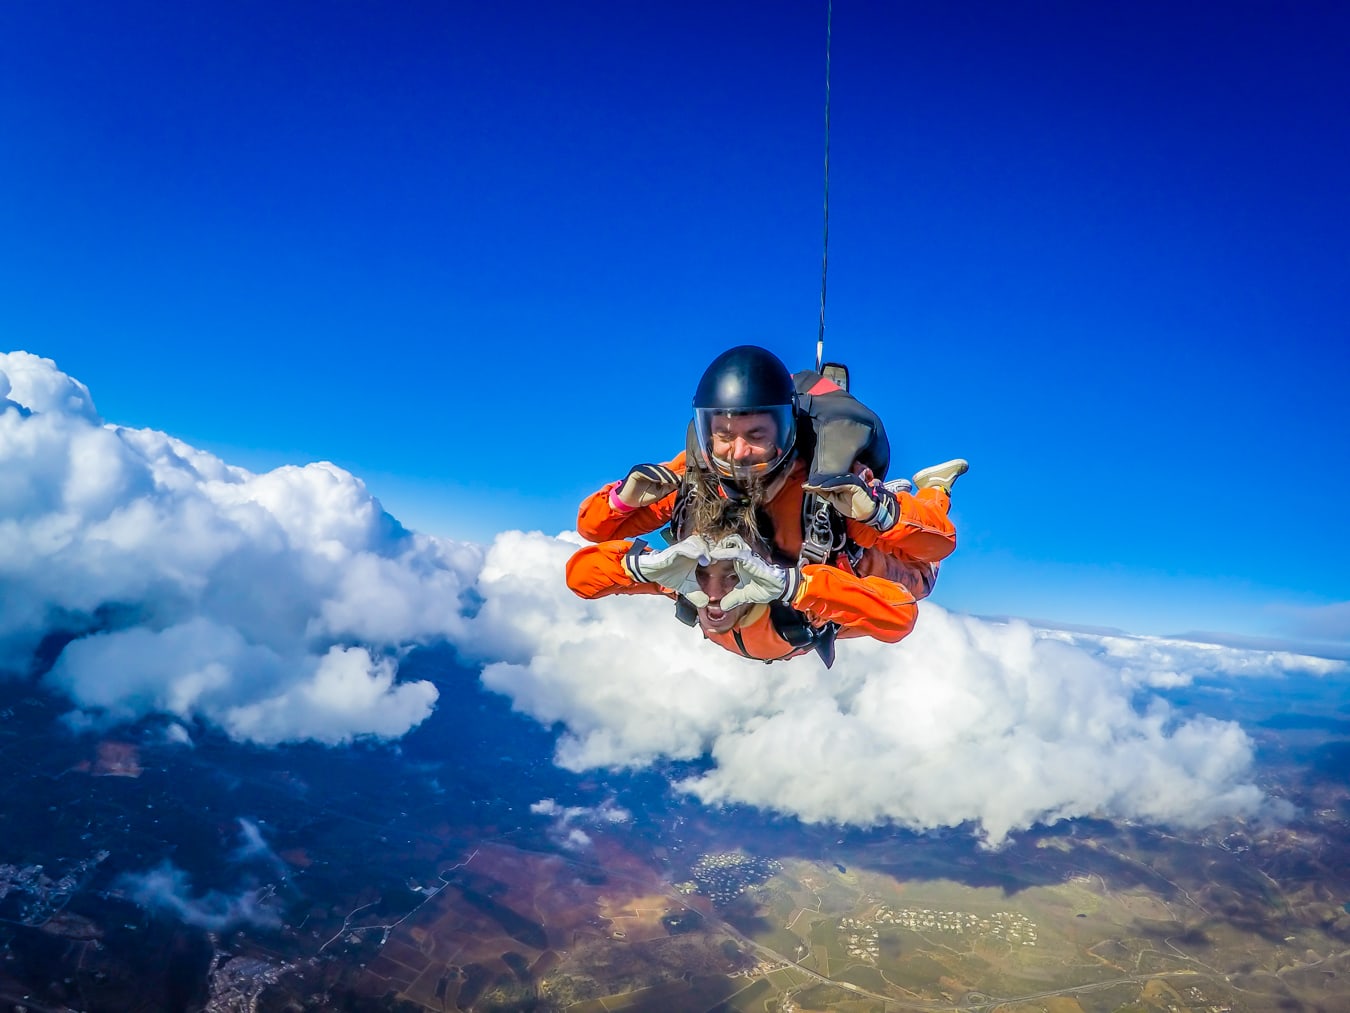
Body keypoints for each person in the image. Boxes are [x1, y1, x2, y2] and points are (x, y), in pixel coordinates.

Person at [565, 344, 968, 663]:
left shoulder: (823, 496)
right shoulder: (695, 568)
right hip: (805, 594)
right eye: (722, 433)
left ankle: (934, 488)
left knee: (923, 576)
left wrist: (878, 512)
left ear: (786, 428)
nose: (738, 452)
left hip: (852, 562)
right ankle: (901, 500)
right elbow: (589, 547)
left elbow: (934, 549)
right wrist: (624, 506)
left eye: (755, 433)